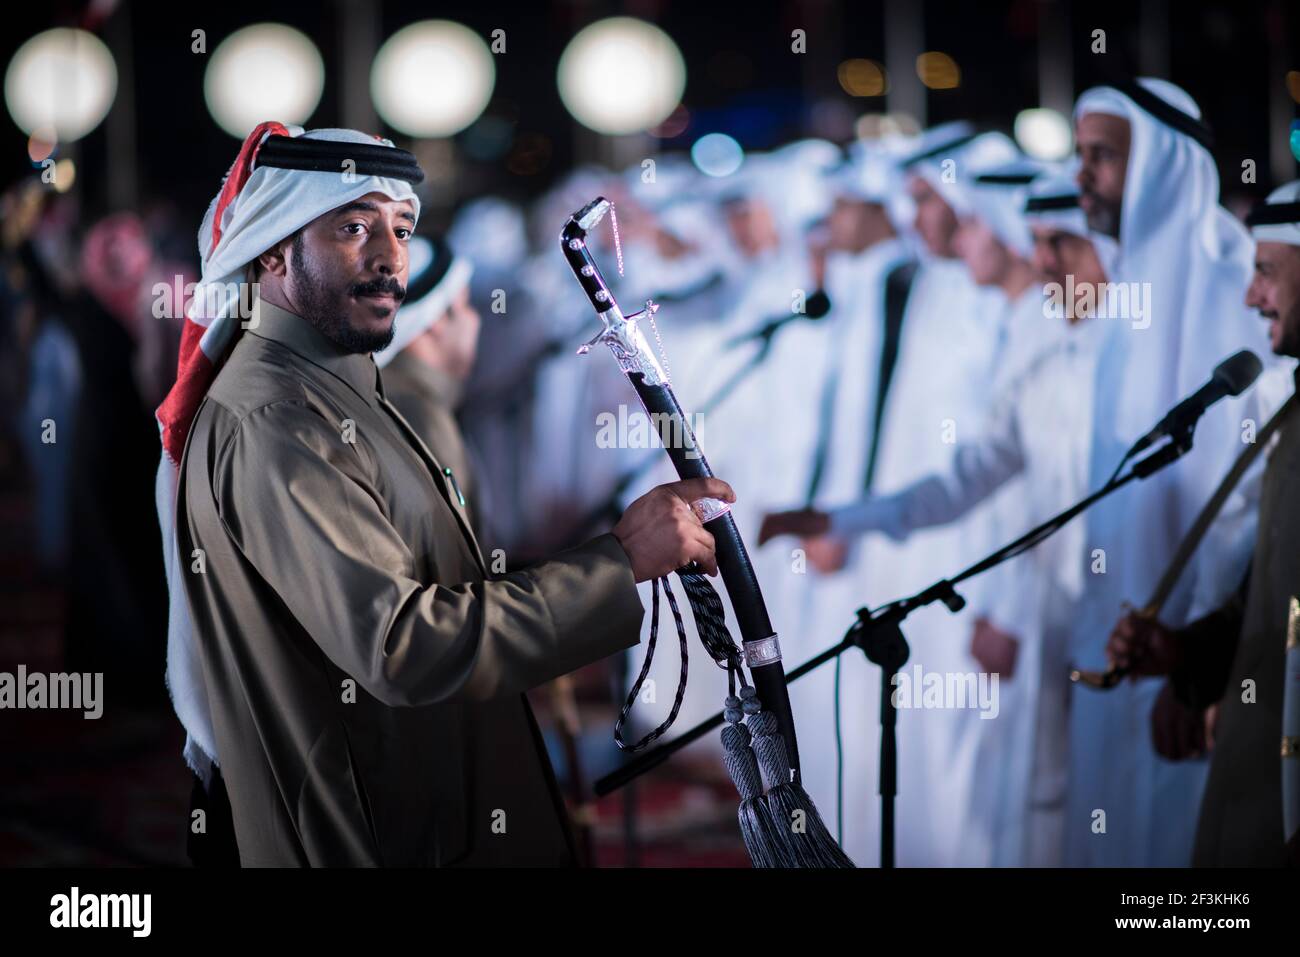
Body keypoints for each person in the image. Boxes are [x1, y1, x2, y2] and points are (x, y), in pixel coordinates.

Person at [156, 124, 734, 866]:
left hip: (420, 797)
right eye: (354, 227)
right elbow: (401, 645)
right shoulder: (278, 419)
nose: (390, 257)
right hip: (375, 830)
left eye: (401, 228)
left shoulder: (335, 385)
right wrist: (618, 564)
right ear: (271, 249)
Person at [1104, 180, 1300, 867]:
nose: (1252, 296)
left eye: (1268, 272)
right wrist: (1183, 652)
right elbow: (1267, 599)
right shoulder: (1290, 415)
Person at [372, 236, 482, 535]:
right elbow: (456, 569)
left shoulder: (389, 396)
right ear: (435, 321)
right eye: (466, 305)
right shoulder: (422, 417)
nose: (475, 320)